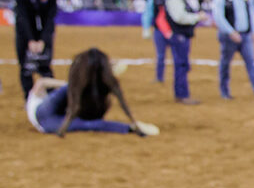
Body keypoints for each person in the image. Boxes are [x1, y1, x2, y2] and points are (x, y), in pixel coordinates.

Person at [26, 48, 158, 137]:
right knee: (84, 119)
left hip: (43, 115)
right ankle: (129, 127)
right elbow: (42, 83)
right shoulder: (47, 106)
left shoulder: (42, 103)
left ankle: (129, 127)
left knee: (83, 119)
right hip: (44, 116)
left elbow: (41, 83)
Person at [13, 0, 57, 100]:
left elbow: (50, 20)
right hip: (25, 35)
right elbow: (22, 18)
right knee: (25, 68)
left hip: (43, 35)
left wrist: (43, 40)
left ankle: (53, 99)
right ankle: (29, 98)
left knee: (45, 67)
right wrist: (30, 40)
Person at [165, 0, 207, 105]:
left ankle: (182, 93)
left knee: (182, 65)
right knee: (182, 65)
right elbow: (179, 17)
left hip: (181, 35)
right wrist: (197, 17)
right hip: (180, 35)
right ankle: (182, 94)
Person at [142, 0, 176, 84]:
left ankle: (178, 78)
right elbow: (148, 14)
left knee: (177, 56)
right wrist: (146, 28)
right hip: (159, 31)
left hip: (175, 31)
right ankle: (159, 78)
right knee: (160, 56)